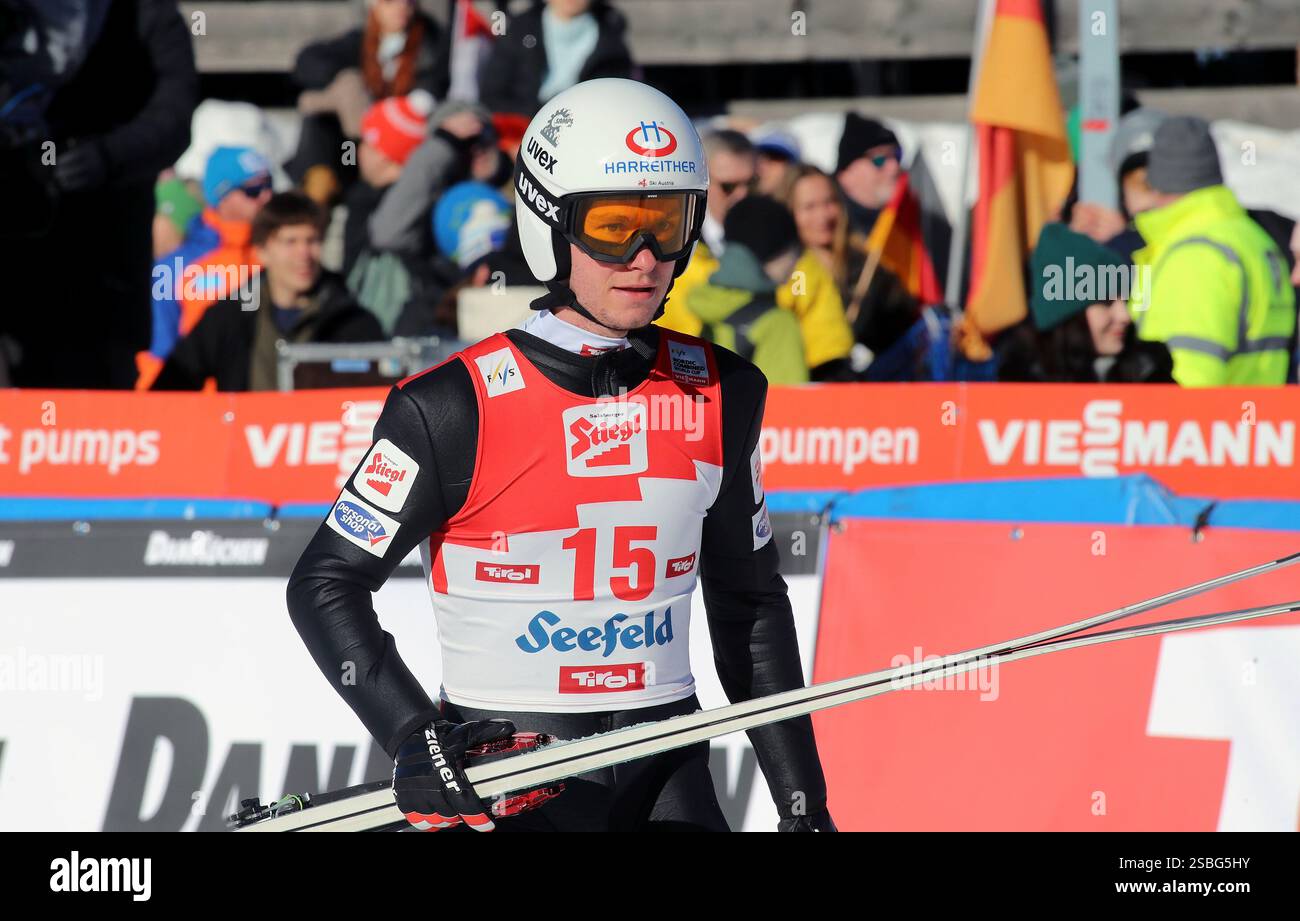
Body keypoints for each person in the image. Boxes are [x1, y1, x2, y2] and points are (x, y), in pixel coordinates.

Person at [287, 78, 833, 833]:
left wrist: (803, 804)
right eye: (614, 226)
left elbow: (750, 607)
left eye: (667, 223)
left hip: (668, 771)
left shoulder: (724, 392)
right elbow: (325, 583)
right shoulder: (450, 406)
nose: (645, 257)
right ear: (549, 222)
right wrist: (417, 739)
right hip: (513, 781)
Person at [0, 0, 198, 389]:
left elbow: (174, 118)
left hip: (103, 268)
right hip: (12, 266)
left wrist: (111, 155)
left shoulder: (147, 14)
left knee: (92, 418)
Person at [151, 192, 382, 392]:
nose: (304, 254)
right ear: (262, 252)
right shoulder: (230, 316)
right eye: (290, 242)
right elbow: (169, 388)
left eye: (312, 240)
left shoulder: (351, 320)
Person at [1128, 116, 1295, 386]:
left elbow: (1191, 380)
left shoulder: (1195, 254)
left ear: (1156, 182)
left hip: (1201, 423)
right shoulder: (1250, 236)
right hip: (1251, 419)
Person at [136, 146, 274, 390]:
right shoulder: (175, 266)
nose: (267, 196)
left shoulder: (276, 255)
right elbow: (161, 349)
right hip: (203, 405)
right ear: (222, 194)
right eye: (253, 189)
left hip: (266, 397)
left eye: (269, 185)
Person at [286, 0, 448, 205]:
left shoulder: (431, 43)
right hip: (354, 149)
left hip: (402, 146)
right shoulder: (361, 42)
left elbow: (431, 90)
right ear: (375, 7)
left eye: (408, 2)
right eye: (390, 2)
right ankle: (317, 192)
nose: (401, 7)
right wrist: (346, 86)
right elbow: (307, 62)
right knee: (324, 118)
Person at [999, 223, 1173, 384]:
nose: (1125, 315)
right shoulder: (1016, 397)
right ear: (1067, 315)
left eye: (1125, 299)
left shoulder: (1150, 374)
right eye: (1106, 301)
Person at [681, 195, 808, 385]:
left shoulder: (696, 302)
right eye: (794, 252)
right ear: (772, 253)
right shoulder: (778, 324)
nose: (796, 263)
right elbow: (787, 404)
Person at [478, 0, 633, 117]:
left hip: (584, 126)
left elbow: (617, 97)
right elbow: (493, 94)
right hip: (524, 127)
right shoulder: (521, 29)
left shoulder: (610, 35)